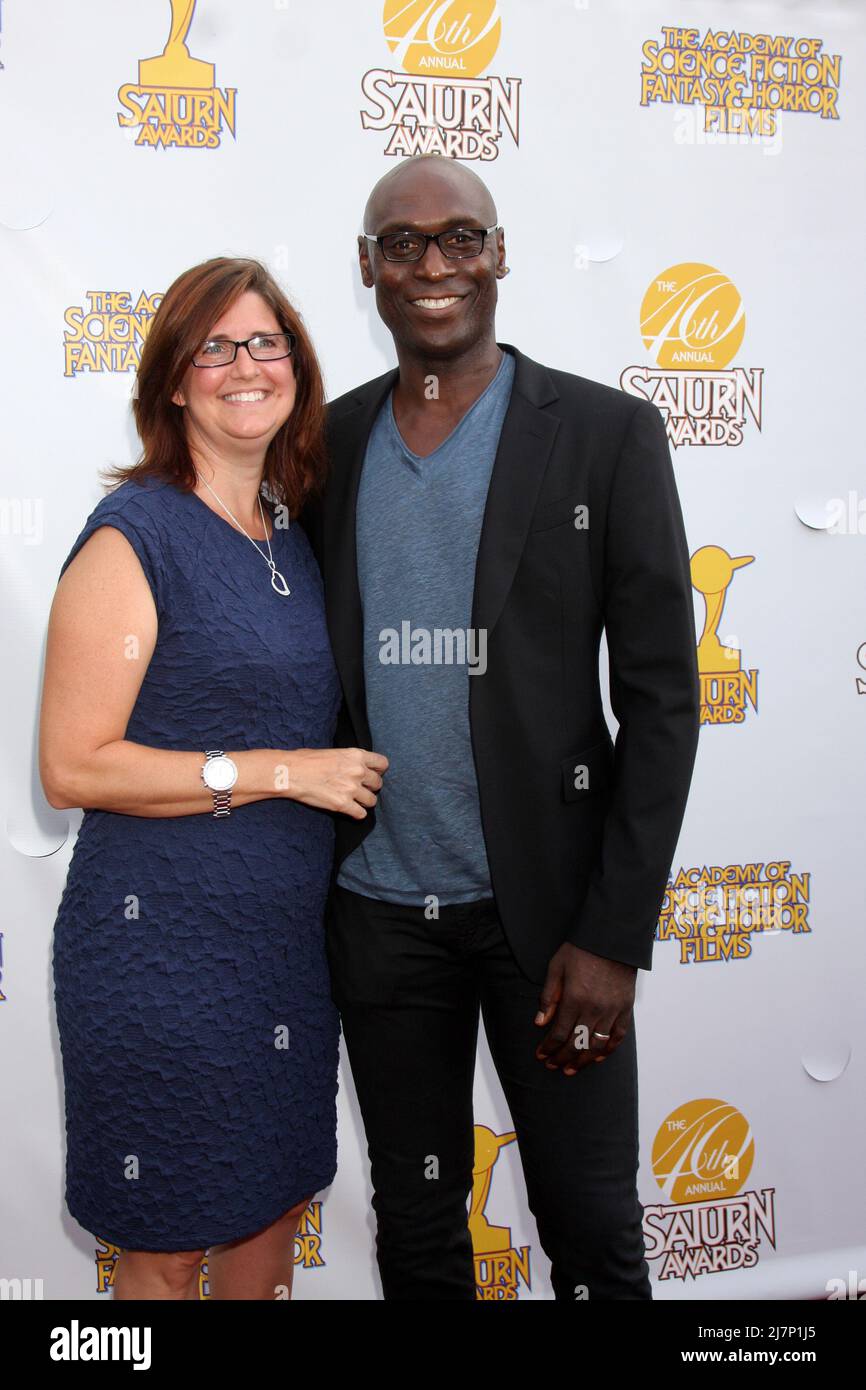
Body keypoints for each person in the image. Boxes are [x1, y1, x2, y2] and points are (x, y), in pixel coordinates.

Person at [300, 154, 700, 1300]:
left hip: (555, 928)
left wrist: (613, 935)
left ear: (499, 254)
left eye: (459, 237)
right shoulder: (325, 446)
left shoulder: (603, 433)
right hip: (379, 918)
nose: (433, 263)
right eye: (402, 243)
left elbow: (663, 698)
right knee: (420, 1228)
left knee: (591, 1229)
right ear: (367, 269)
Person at [39, 256, 387, 1300]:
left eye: (266, 342)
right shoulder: (134, 535)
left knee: (270, 1209)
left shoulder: (293, 536)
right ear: (173, 383)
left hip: (282, 955)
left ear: (297, 366)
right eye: (214, 348)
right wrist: (283, 772)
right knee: (163, 1243)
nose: (246, 365)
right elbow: (71, 764)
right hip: (159, 956)